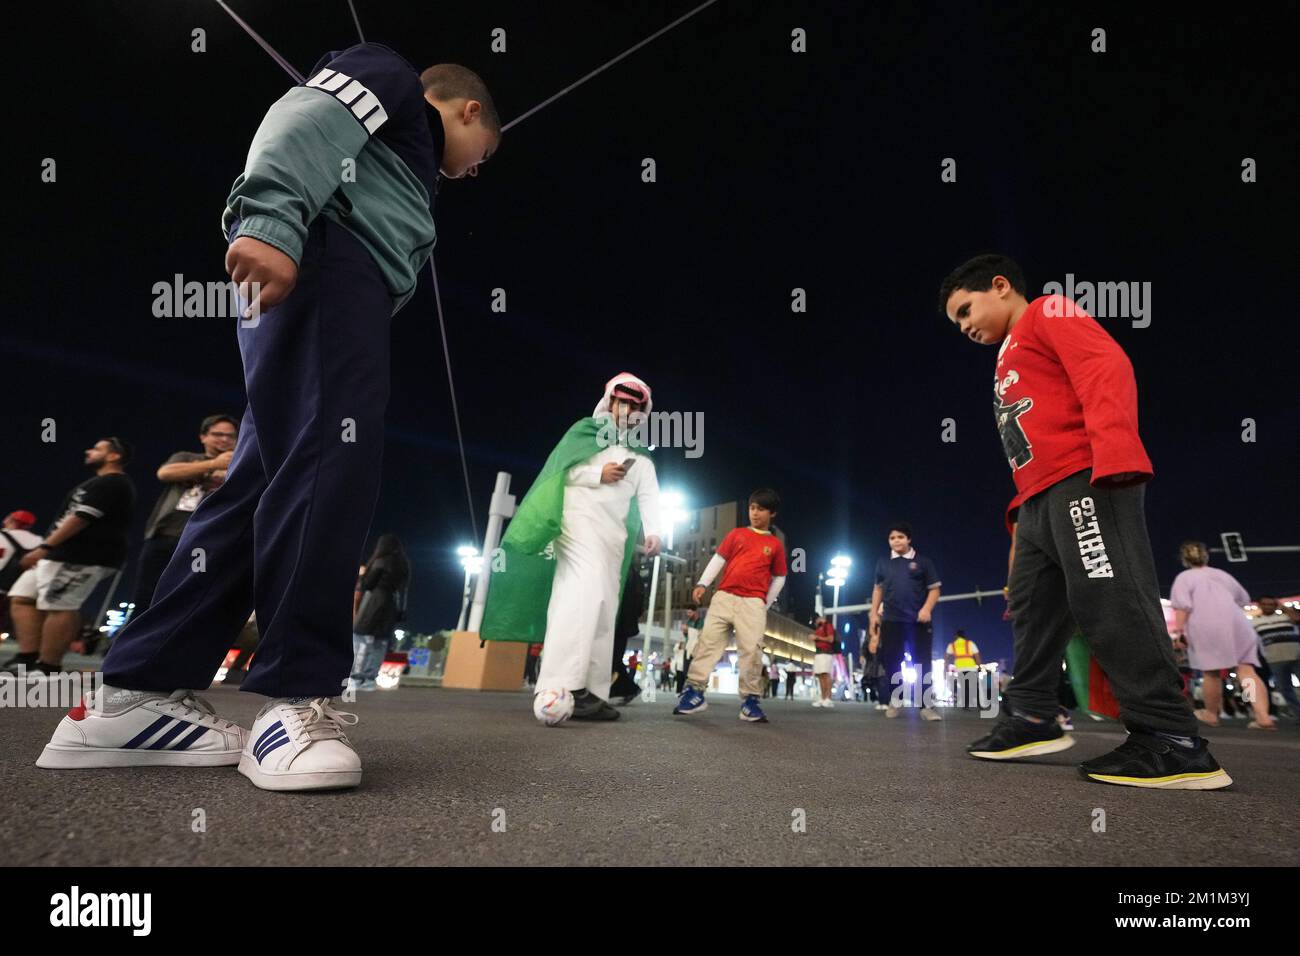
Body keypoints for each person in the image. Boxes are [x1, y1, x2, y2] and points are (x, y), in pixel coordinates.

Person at [38, 47, 501, 793]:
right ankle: (293, 699)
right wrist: (272, 220)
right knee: (330, 461)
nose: (477, 170)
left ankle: (134, 696)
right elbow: (304, 116)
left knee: (263, 482)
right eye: (485, 153)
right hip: (328, 263)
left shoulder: (407, 153)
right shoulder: (393, 80)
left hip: (340, 285)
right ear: (468, 110)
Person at [942, 253, 1230, 788]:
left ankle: (1171, 738)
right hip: (1036, 499)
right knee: (1030, 608)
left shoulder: (1048, 311)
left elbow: (1107, 365)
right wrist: (1024, 514)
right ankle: (1029, 715)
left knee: (1110, 597)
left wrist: (1115, 455)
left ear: (1000, 286)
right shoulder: (1007, 351)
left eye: (965, 310)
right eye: (956, 322)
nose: (963, 327)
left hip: (1083, 478)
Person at [481, 372, 663, 723]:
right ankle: (561, 685)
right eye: (621, 402)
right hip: (578, 527)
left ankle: (592, 693)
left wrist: (654, 531)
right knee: (582, 597)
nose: (625, 410)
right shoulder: (583, 433)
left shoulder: (640, 453)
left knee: (604, 608)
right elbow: (558, 473)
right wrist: (598, 474)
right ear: (609, 401)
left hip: (614, 540)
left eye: (633, 406)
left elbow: (649, 494)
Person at [2, 439, 136, 680]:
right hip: (58, 553)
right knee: (22, 597)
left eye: (96, 448)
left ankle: (48, 666)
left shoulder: (114, 483)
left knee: (60, 604)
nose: (88, 450)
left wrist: (45, 547)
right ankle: (27, 657)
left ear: (114, 456)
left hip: (83, 554)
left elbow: (82, 517)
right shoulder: (94, 482)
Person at [673, 489, 787, 723]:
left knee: (752, 650)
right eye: (752, 507)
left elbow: (780, 576)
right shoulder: (736, 534)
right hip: (724, 596)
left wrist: (764, 602)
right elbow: (719, 559)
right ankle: (694, 691)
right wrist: (703, 583)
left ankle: (750, 700)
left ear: (772, 513)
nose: (755, 513)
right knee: (708, 643)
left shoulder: (774, 545)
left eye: (761, 509)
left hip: (753, 602)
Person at [128, 414, 237, 619]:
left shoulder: (240, 464)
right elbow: (165, 473)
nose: (224, 439)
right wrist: (213, 464)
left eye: (230, 436)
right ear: (203, 437)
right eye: (218, 434)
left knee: (189, 598)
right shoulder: (186, 456)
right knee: (146, 598)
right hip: (166, 535)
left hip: (207, 541)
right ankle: (125, 649)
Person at [1168, 542, 1274, 729]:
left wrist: (1178, 632)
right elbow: (1243, 599)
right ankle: (1263, 716)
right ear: (1206, 556)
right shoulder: (1223, 575)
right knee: (1246, 670)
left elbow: (1183, 607)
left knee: (1211, 672)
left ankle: (1211, 714)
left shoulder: (1184, 577)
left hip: (1206, 626)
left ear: (1184, 559)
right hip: (1238, 623)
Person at [867, 523, 942, 720]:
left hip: (918, 621)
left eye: (900, 537)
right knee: (892, 662)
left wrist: (926, 609)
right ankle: (895, 700)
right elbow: (878, 589)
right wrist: (873, 614)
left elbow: (934, 589)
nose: (896, 541)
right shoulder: (883, 563)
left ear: (908, 539)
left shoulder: (923, 562)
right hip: (892, 620)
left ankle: (925, 706)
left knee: (922, 663)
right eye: (892, 538)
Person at [349, 534, 410, 692]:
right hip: (390, 606)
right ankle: (369, 680)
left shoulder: (380, 561)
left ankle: (356, 677)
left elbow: (367, 584)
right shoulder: (403, 565)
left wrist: (362, 576)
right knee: (380, 644)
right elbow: (404, 590)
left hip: (374, 603)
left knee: (360, 639)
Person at [1251, 596, 1300, 721]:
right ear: (1260, 605)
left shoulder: (1285, 617)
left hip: (1296, 656)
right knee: (1285, 689)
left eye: (1271, 604)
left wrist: (1282, 606)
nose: (1268, 606)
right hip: (1274, 659)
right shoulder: (1254, 622)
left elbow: (1296, 617)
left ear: (1275, 605)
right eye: (1265, 604)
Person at [944, 629, 983, 710]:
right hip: (971, 667)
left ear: (956, 636)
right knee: (974, 686)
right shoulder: (970, 643)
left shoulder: (952, 645)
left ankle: (965, 706)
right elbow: (977, 656)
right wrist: (979, 666)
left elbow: (946, 657)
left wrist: (946, 667)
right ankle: (980, 705)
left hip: (960, 668)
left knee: (964, 687)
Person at [812, 616, 836, 708]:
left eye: (817, 619)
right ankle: (823, 697)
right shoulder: (818, 627)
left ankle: (828, 698)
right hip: (819, 653)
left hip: (826, 653)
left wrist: (817, 637)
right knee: (821, 676)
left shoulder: (828, 625)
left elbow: (831, 639)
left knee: (826, 675)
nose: (816, 621)